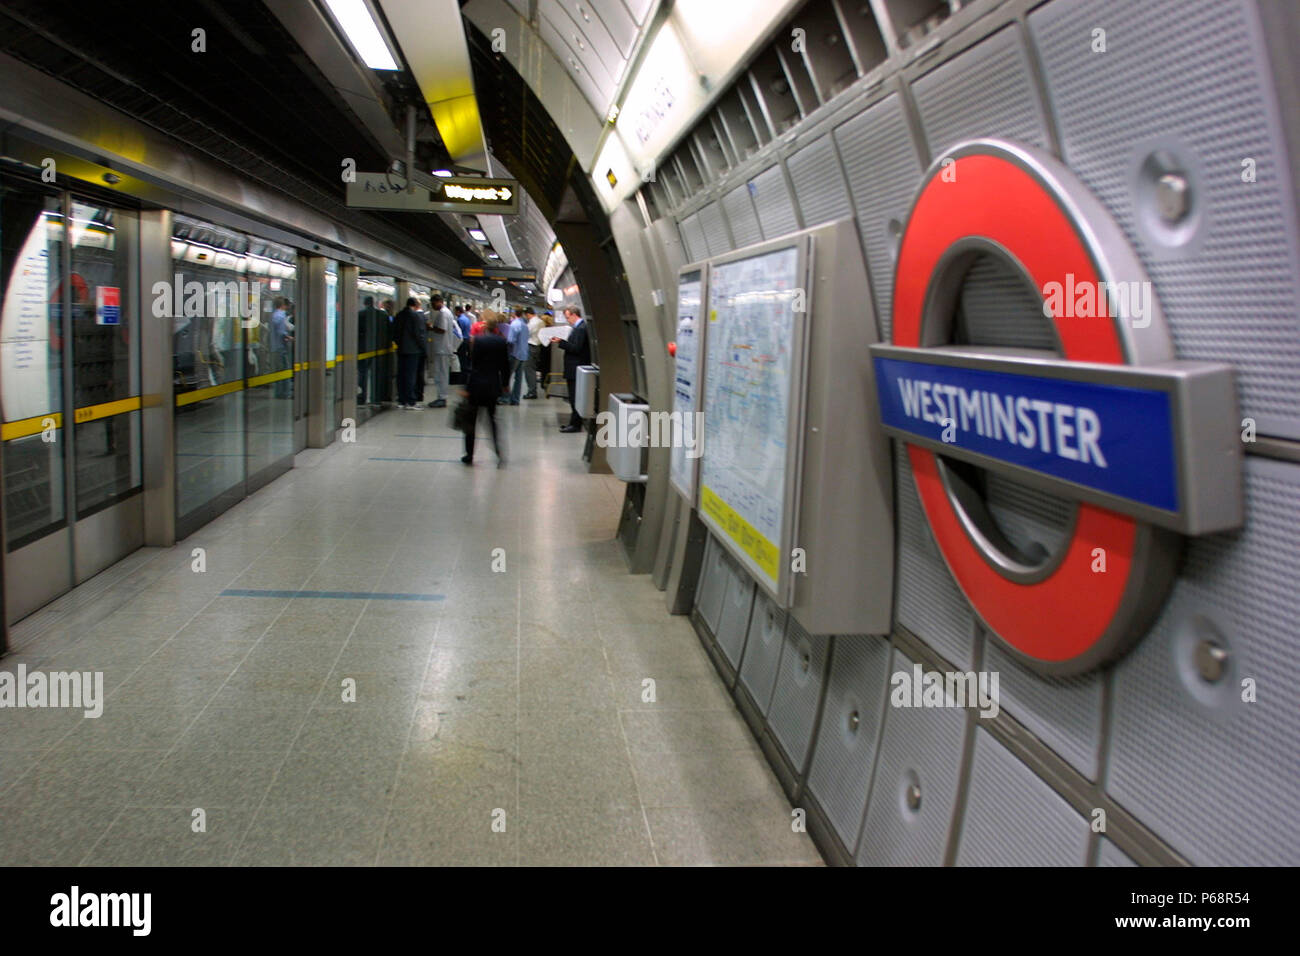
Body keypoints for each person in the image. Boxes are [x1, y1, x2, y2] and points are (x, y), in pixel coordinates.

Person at [461, 310, 510, 467]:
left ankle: (469, 454)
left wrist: (466, 387)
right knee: (492, 420)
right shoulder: (501, 342)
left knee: (471, 422)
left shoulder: (478, 341)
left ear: (484, 325)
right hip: (492, 386)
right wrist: (505, 384)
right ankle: (498, 451)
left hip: (476, 386)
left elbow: (473, 366)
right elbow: (505, 367)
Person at [553, 306, 591, 432]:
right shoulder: (579, 328)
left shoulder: (580, 329)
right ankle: (573, 423)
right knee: (574, 397)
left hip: (575, 368)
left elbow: (576, 348)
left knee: (575, 397)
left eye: (568, 317)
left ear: (574, 315)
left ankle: (575, 425)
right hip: (574, 368)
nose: (567, 320)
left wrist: (561, 342)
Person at [392, 297, 426, 409]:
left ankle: (401, 400)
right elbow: (417, 334)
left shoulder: (399, 315)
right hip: (413, 350)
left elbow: (394, 332)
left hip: (401, 349)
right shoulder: (415, 316)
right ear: (415, 305)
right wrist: (423, 347)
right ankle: (411, 401)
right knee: (411, 375)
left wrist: (399, 344)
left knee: (401, 374)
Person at [425, 294, 456, 408]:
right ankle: (441, 397)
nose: (432, 306)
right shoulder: (447, 312)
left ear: (439, 301)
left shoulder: (443, 313)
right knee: (441, 373)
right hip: (443, 347)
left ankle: (442, 398)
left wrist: (431, 327)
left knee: (441, 374)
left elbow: (442, 330)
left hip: (442, 348)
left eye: (433, 303)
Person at [356, 296, 383, 405]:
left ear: (364, 303)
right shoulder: (380, 315)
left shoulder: (360, 314)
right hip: (378, 348)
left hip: (362, 349)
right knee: (376, 372)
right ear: (374, 303)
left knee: (362, 373)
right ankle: (376, 397)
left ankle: (362, 397)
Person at [270, 297, 294, 398]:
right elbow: (282, 333)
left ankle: (279, 392)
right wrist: (290, 338)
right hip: (281, 347)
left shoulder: (274, 315)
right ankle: (285, 393)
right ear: (283, 305)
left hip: (275, 346)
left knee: (279, 371)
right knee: (284, 370)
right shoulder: (281, 316)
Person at [504, 308, 529, 405]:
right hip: (523, 354)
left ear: (514, 314)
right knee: (518, 379)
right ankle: (515, 399)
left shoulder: (514, 324)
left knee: (507, 377)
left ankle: (505, 398)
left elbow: (510, 340)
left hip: (514, 354)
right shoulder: (525, 325)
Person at [524, 307, 544, 399]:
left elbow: (526, 333)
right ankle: (533, 390)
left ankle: (532, 392)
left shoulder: (533, 322)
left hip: (531, 346)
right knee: (532, 369)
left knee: (529, 370)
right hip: (537, 346)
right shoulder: (541, 321)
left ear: (528, 314)